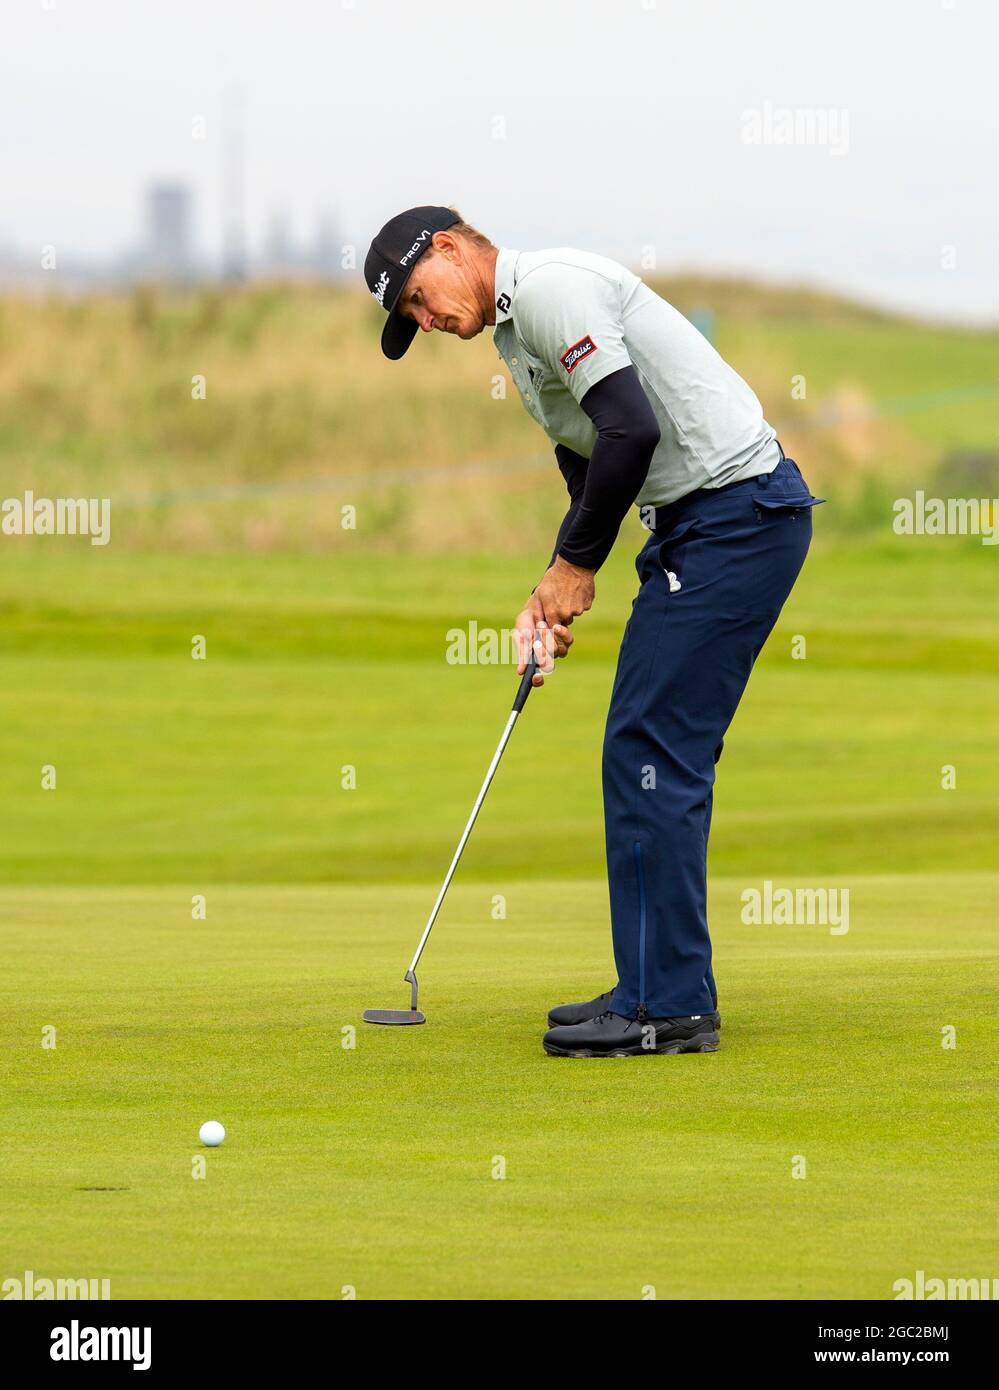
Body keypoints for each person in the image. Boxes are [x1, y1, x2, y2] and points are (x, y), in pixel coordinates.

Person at [364, 205, 822, 1058]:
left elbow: (632, 428)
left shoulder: (551, 292)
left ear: (453, 249)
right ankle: (651, 984)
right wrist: (552, 590)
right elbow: (591, 469)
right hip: (699, 527)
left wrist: (574, 568)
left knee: (650, 747)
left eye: (419, 300)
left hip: (737, 516)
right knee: (644, 746)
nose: (425, 323)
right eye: (412, 322)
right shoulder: (515, 341)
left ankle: (667, 1006)